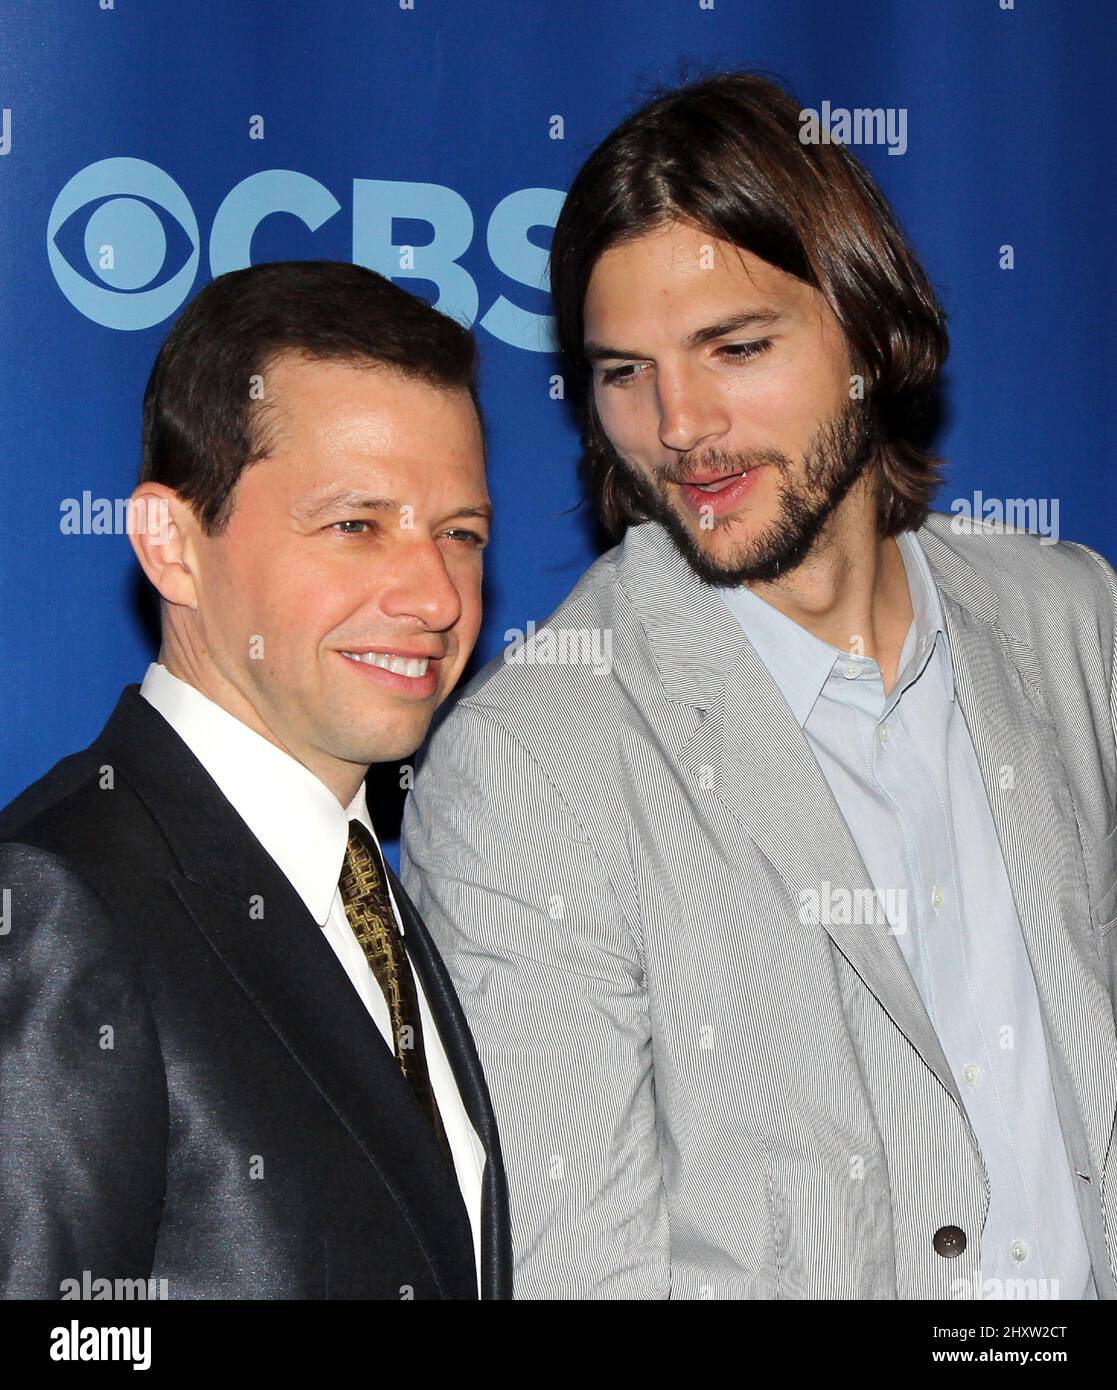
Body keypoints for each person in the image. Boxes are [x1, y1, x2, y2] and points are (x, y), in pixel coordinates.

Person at [401, 73, 1117, 1299]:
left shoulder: (1070, 618)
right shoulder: (532, 762)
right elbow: (581, 1277)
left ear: (871, 330)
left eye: (735, 347)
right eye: (625, 371)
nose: (680, 424)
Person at [0, 260, 511, 1300]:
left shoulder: (364, 889)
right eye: (355, 524)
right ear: (173, 545)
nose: (432, 594)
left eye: (459, 533)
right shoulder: (60, 903)